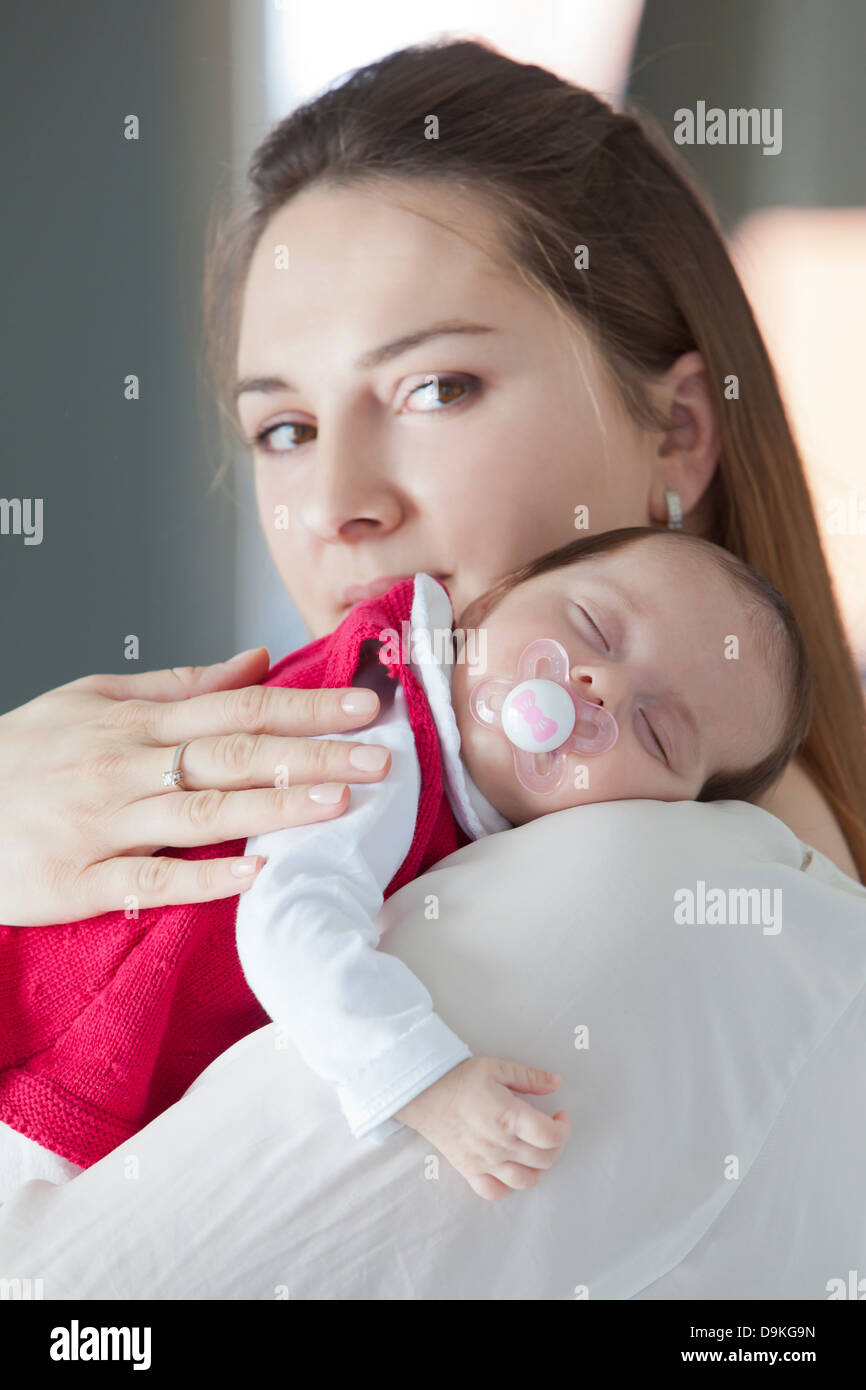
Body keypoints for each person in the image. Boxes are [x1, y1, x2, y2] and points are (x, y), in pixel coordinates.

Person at [0, 38, 862, 1252]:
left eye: (434, 389)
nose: (340, 499)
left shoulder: (638, 895)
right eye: (286, 427)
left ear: (675, 428)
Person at [0, 527, 813, 1206]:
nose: (601, 685)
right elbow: (289, 917)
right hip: (66, 1056)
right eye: (594, 628)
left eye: (659, 734)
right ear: (495, 597)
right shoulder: (386, 739)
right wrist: (426, 1079)